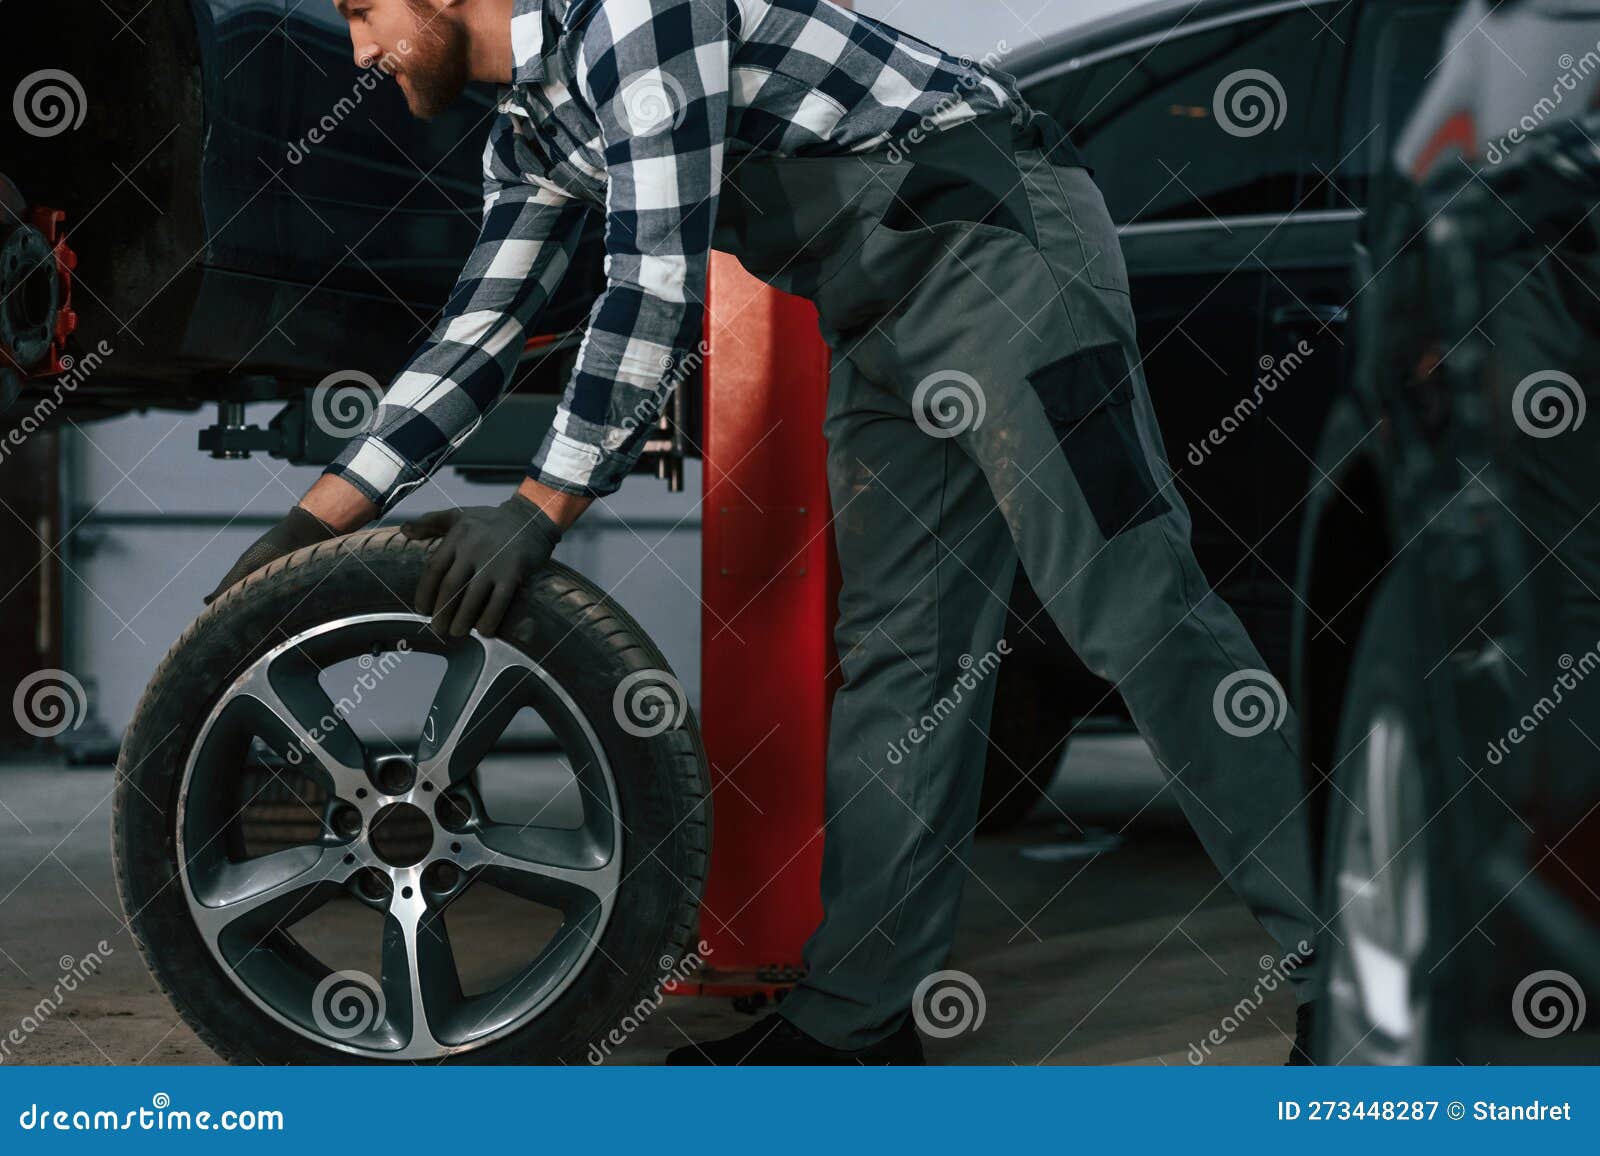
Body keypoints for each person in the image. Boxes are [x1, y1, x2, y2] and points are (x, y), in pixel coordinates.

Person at [210, 0, 1321, 1064]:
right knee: (905, 662)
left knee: (1134, 608)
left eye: (364, 13)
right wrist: (300, 535)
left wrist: (539, 509)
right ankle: (859, 1022)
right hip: (881, 314)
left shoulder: (632, 14)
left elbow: (651, 282)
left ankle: (1363, 976)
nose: (358, 53)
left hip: (997, 247)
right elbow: (475, 338)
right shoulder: (533, 129)